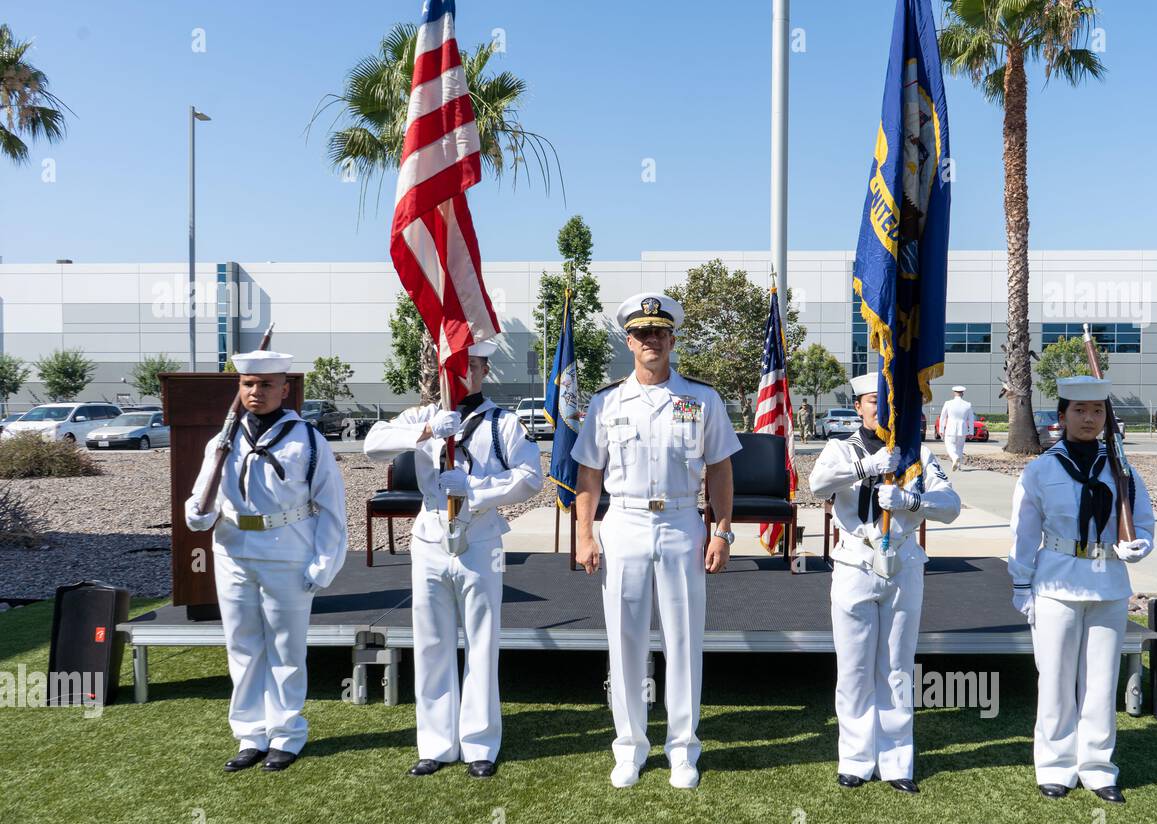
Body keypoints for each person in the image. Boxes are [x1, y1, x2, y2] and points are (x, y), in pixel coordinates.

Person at [571, 292, 741, 790]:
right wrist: (584, 534)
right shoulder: (606, 402)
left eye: (659, 333)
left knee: (684, 640)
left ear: (671, 339)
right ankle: (629, 747)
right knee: (623, 640)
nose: (651, 340)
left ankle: (683, 749)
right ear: (629, 341)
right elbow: (589, 474)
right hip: (623, 523)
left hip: (683, 523)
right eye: (642, 333)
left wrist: (723, 530)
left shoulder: (701, 399)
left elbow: (720, 468)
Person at [363, 341, 541, 778]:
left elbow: (530, 477)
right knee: (432, 640)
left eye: (471, 367)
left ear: (483, 372)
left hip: (479, 536)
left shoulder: (504, 423)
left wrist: (475, 491)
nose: (462, 376)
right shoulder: (422, 417)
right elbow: (373, 444)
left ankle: (480, 743)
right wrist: (425, 433)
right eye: (454, 368)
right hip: (430, 538)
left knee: (482, 640)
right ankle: (436, 743)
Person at [185, 349, 348, 773]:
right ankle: (250, 734)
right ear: (240, 388)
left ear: (285, 389)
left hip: (287, 549)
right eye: (248, 385)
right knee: (242, 646)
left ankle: (286, 734)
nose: (257, 392)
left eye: (266, 384)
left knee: (285, 647)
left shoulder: (307, 439)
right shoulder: (223, 439)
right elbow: (201, 504)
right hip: (234, 550)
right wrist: (197, 512)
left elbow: (331, 506)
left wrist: (324, 561)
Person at [810, 372, 960, 793]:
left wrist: (913, 499)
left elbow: (951, 506)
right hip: (856, 561)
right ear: (858, 407)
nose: (882, 409)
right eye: (874, 401)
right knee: (855, 667)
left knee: (896, 666)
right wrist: (866, 467)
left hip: (902, 561)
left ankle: (896, 761)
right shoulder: (841, 448)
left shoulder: (917, 455)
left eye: (889, 402)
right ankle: (855, 759)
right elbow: (817, 484)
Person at [1008, 375, 1155, 804]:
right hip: (1056, 581)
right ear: (1062, 417)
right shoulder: (1041, 469)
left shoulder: (1122, 468)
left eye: (1097, 412)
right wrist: (1022, 585)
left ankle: (1097, 767)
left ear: (1106, 418)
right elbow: (1022, 533)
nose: (1089, 419)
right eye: (1079, 411)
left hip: (1108, 582)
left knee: (1101, 681)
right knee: (1054, 680)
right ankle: (1054, 766)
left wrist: (1138, 546)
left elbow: (1142, 522)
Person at [938, 384, 974, 471]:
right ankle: (959, 466)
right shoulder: (967, 404)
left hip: (950, 428)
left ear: (954, 393)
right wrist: (971, 432)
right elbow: (971, 419)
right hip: (962, 429)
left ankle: (954, 458)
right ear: (963, 393)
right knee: (960, 448)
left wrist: (941, 429)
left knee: (949, 446)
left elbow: (943, 417)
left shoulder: (948, 403)